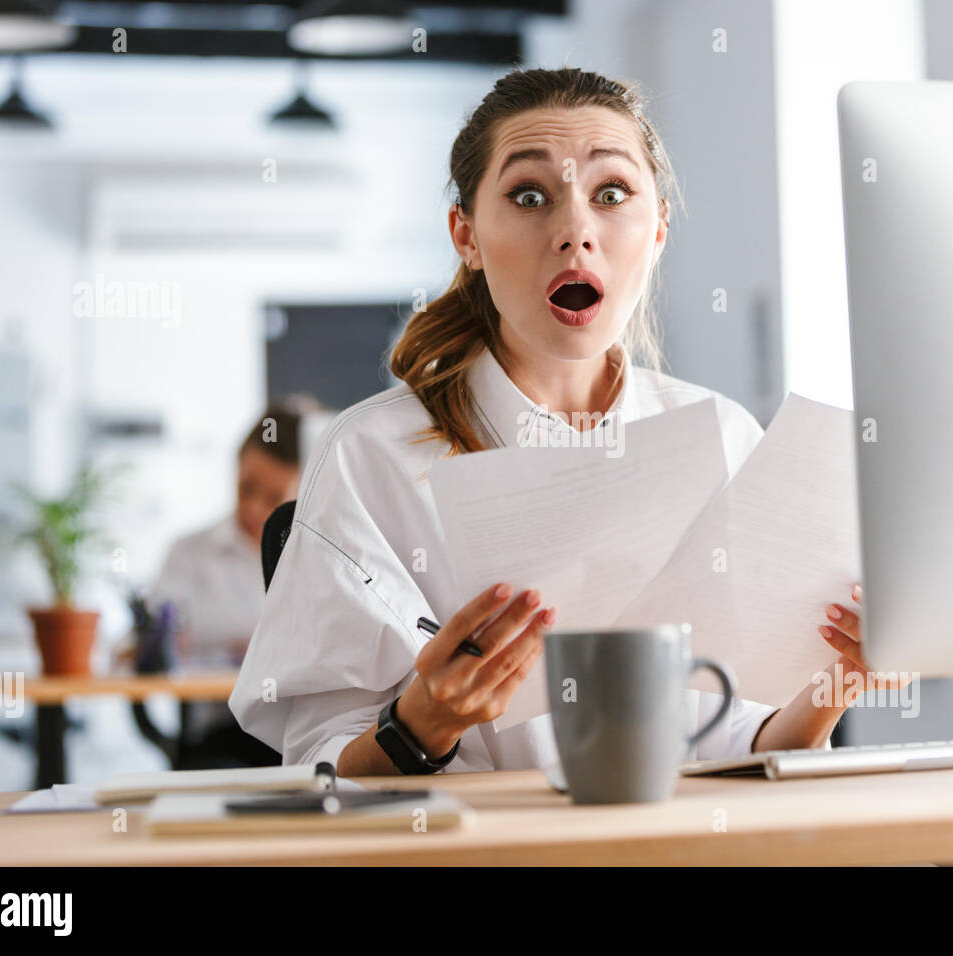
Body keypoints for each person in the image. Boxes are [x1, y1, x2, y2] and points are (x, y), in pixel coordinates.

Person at [230, 66, 890, 777]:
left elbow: (747, 752)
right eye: (529, 196)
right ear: (467, 235)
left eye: (611, 194)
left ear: (659, 227)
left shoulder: (725, 438)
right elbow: (318, 772)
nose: (576, 231)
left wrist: (837, 680)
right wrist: (427, 720)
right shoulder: (372, 457)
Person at [151, 402, 306, 767]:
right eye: (246, 487)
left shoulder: (320, 559)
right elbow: (163, 639)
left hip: (305, 734)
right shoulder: (189, 554)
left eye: (272, 498)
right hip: (220, 735)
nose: (253, 508)